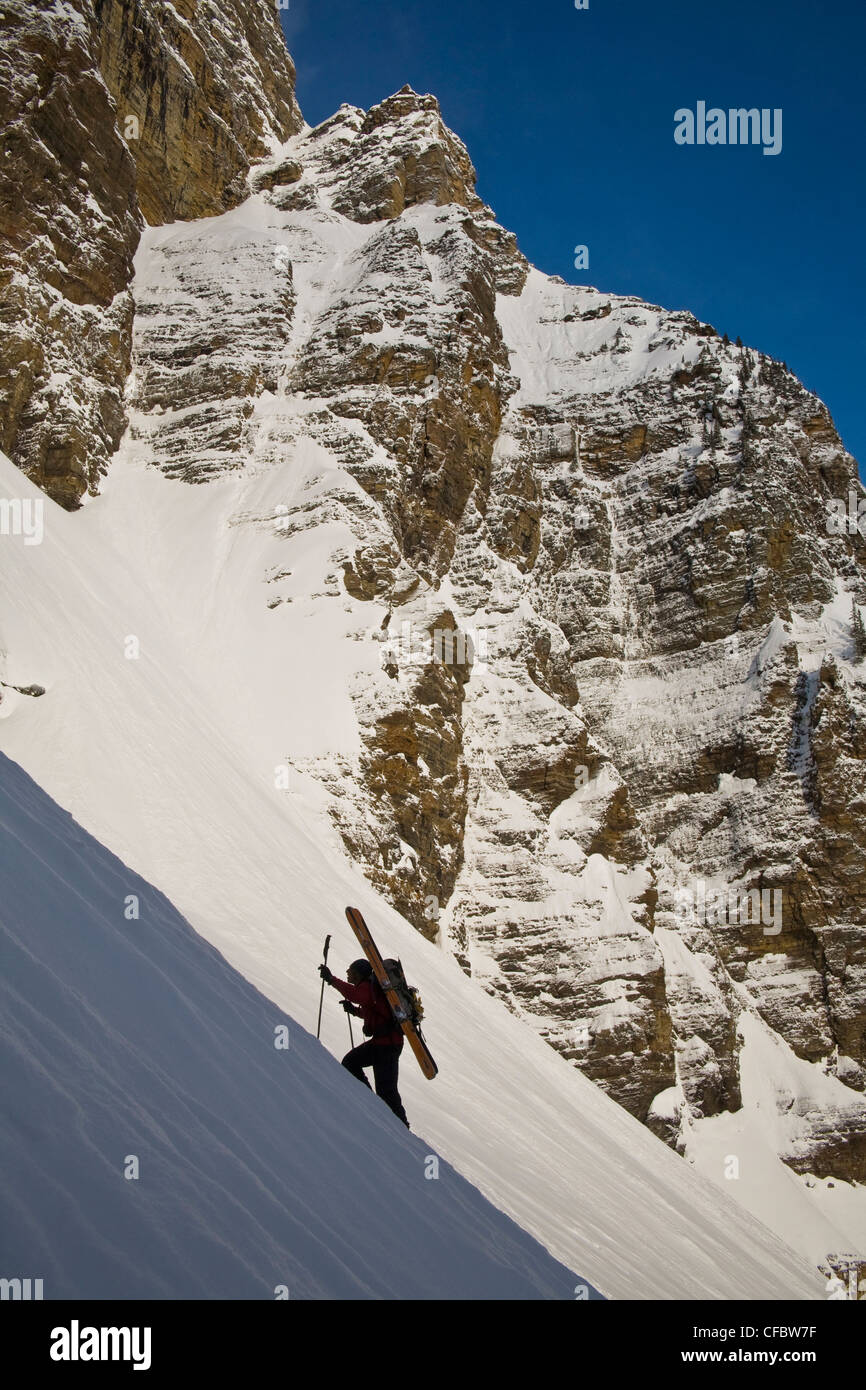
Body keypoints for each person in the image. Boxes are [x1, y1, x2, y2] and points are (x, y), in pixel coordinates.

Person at [319, 958, 409, 1128]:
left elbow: (354, 995)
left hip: (386, 1045)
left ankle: (401, 1125)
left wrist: (331, 979)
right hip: (385, 1043)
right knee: (380, 1085)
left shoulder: (367, 988)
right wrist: (354, 1011)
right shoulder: (372, 990)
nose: (348, 973)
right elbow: (373, 1011)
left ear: (359, 973)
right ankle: (383, 1111)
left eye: (351, 971)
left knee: (385, 1089)